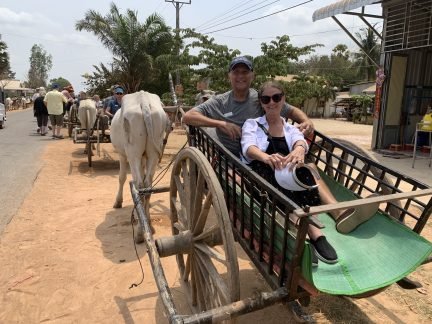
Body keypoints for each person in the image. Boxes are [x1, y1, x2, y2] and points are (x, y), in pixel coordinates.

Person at [241, 81, 378, 264]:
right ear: (261, 102)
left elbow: (300, 141)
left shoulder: (290, 128)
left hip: (287, 172)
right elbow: (248, 147)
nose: (271, 102)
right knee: (278, 181)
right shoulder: (252, 124)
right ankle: (312, 233)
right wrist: (266, 158)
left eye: (276, 97)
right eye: (266, 99)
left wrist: (298, 149)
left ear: (283, 99)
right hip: (261, 171)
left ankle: (323, 221)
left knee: (305, 172)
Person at [183, 56, 314, 157]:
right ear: (229, 76)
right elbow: (188, 117)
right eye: (236, 72)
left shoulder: (263, 98)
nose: (240, 76)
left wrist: (305, 121)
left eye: (245, 72)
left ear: (252, 75)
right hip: (230, 160)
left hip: (262, 155)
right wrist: (221, 124)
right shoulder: (219, 102)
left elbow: (291, 110)